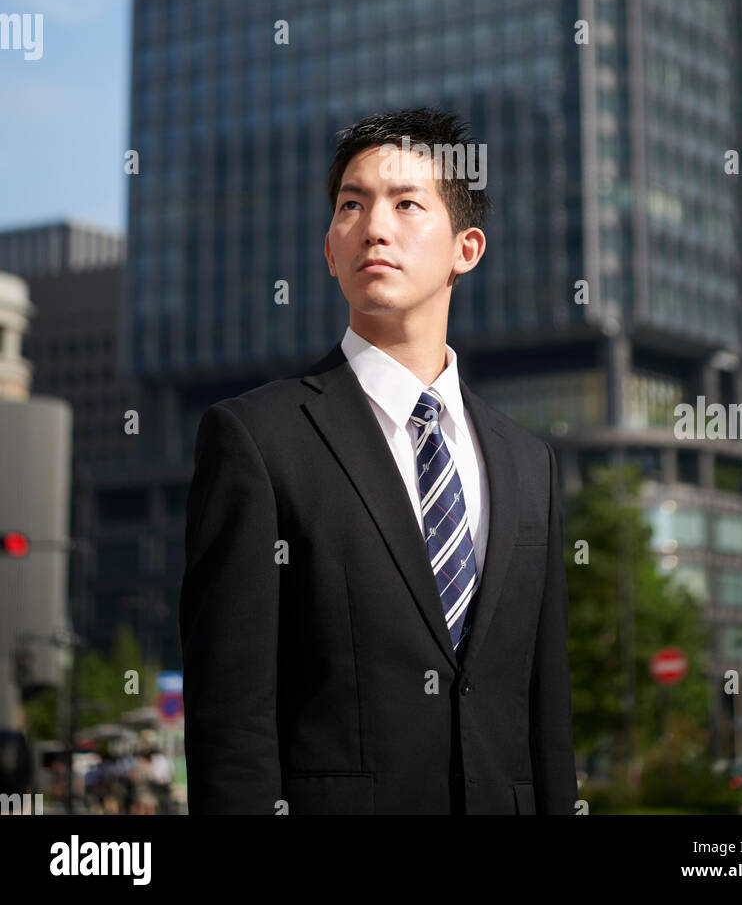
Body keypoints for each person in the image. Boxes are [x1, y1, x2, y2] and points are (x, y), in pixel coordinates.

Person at [179, 108, 577, 815]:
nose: (374, 226)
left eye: (406, 204)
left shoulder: (528, 463)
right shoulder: (256, 440)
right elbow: (231, 721)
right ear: (330, 251)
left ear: (467, 248)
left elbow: (546, 716)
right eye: (351, 205)